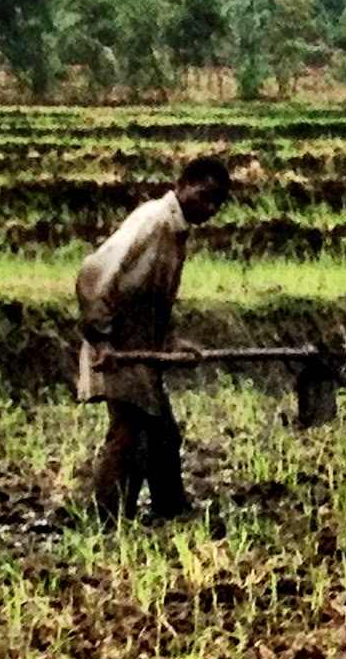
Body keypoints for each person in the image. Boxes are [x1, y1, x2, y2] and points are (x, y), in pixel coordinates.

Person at [75, 156, 231, 521]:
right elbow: (94, 274)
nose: (208, 208)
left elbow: (153, 301)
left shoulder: (176, 233)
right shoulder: (153, 221)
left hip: (140, 349)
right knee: (129, 434)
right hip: (118, 348)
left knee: (162, 434)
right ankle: (107, 518)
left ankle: (170, 509)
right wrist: (103, 340)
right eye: (205, 196)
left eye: (217, 204)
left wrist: (172, 344)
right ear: (185, 185)